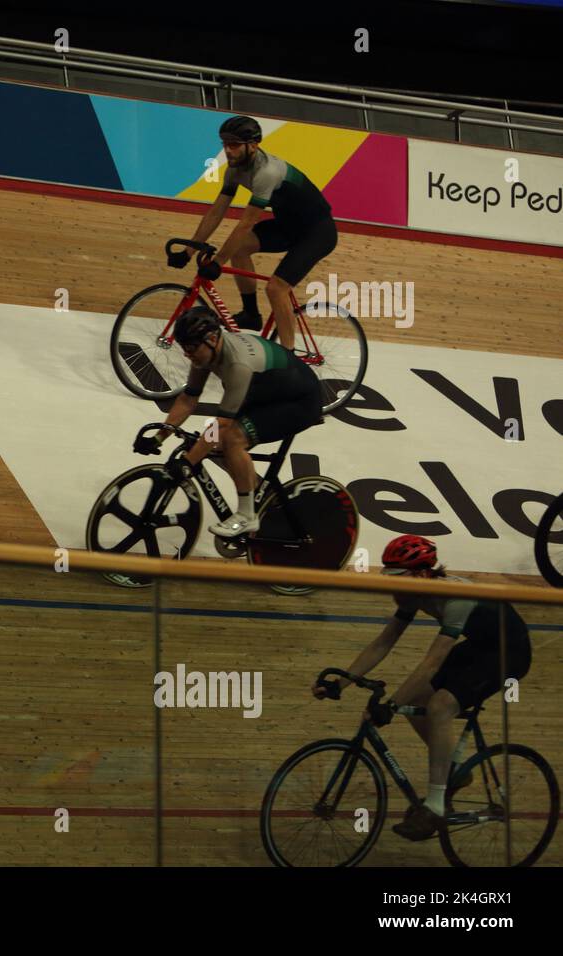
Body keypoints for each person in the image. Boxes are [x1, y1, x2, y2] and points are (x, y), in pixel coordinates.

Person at [312, 534, 532, 841]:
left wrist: (389, 706)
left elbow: (431, 662)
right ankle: (455, 771)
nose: (393, 589)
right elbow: (384, 642)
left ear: (423, 574)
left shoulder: (456, 599)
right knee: (413, 701)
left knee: (440, 706)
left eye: (399, 580)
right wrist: (342, 683)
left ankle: (436, 805)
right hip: (480, 646)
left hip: (510, 654)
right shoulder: (413, 594)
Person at [133, 306, 321, 537]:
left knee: (232, 438)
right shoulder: (206, 353)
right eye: (184, 349)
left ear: (212, 339)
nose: (187, 355)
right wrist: (159, 437)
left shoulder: (236, 365)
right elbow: (188, 399)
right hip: (267, 392)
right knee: (214, 445)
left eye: (191, 348)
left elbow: (221, 425)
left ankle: (246, 516)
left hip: (299, 402)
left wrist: (188, 462)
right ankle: (262, 494)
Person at [171, 115, 338, 349]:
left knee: (276, 289)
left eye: (234, 145)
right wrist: (189, 250)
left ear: (253, 145)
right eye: (225, 144)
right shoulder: (233, 170)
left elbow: (245, 224)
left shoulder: (267, 172)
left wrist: (218, 262)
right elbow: (216, 213)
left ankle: (288, 357)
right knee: (239, 249)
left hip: (317, 231)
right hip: (288, 226)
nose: (228, 150)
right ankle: (251, 314)